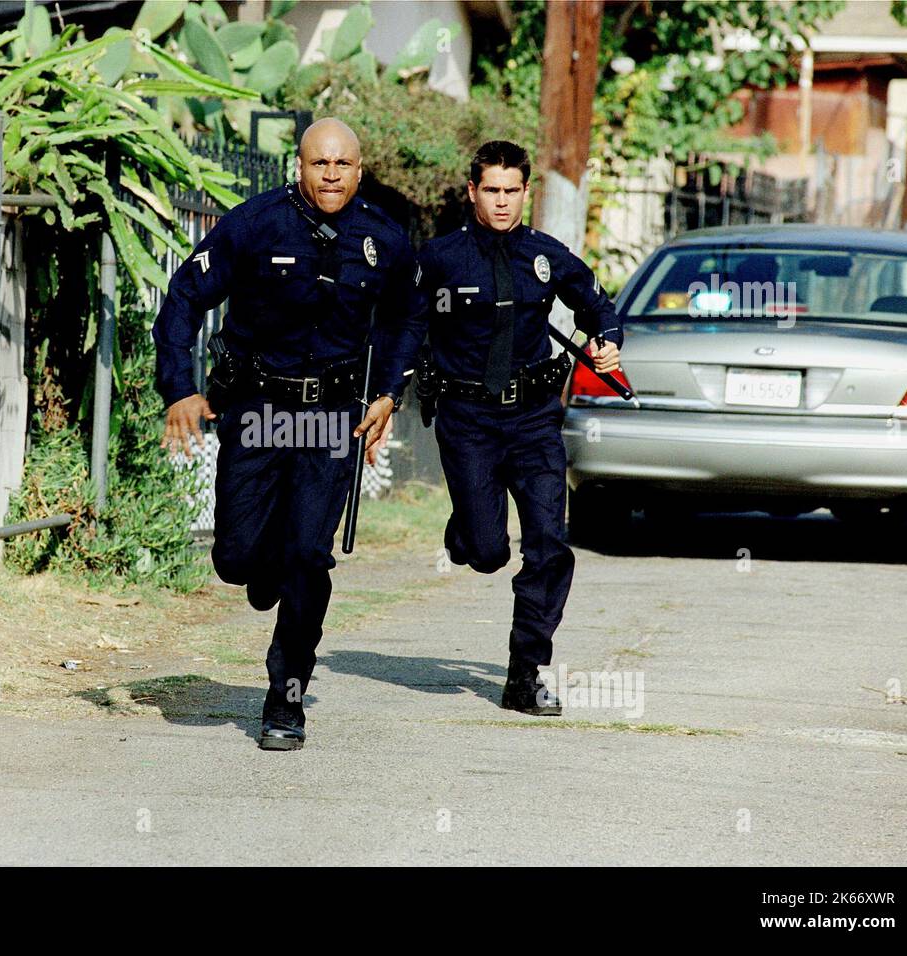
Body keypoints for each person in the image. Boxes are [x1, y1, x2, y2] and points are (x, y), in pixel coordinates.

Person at [152, 118, 425, 750]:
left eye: (343, 164)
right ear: (299, 167)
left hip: (332, 417)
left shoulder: (385, 237)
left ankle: (286, 696)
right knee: (236, 559)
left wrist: (388, 392)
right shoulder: (253, 225)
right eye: (319, 163)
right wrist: (179, 388)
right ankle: (261, 564)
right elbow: (184, 299)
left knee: (308, 555)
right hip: (257, 410)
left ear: (361, 170)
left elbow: (409, 318)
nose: (331, 173)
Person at [414, 140, 624, 714]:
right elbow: (404, 327)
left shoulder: (547, 254)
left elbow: (598, 308)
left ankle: (525, 672)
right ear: (472, 192)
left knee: (549, 545)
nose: (502, 202)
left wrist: (607, 342)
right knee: (485, 550)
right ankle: (466, 532)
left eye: (512, 191)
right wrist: (386, 392)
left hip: (534, 419)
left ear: (526, 193)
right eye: (491, 191)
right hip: (468, 419)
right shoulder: (439, 258)